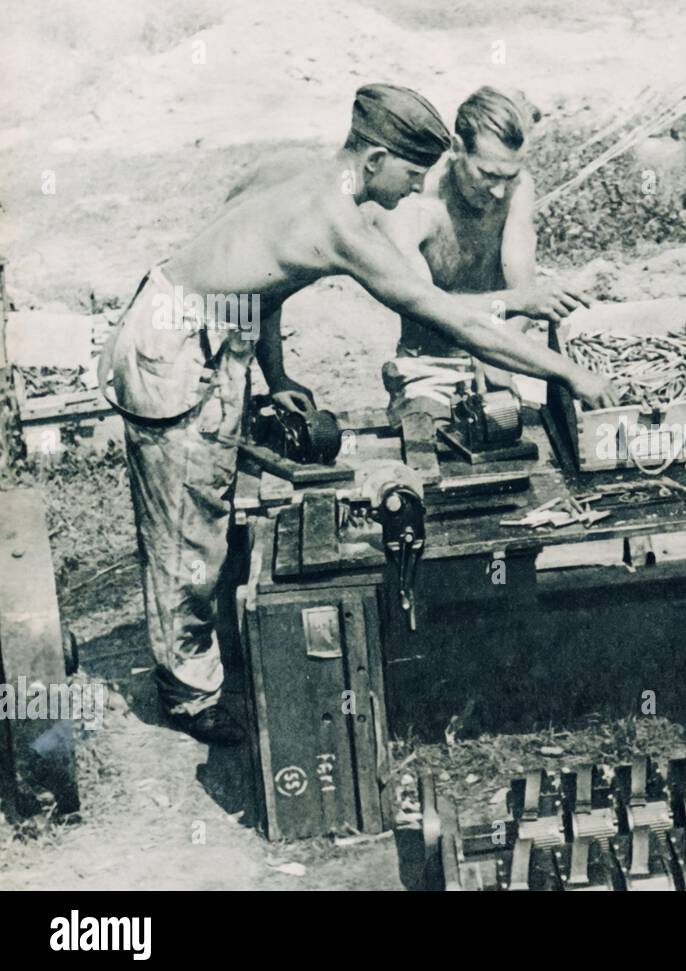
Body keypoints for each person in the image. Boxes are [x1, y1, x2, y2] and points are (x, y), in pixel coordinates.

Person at [100, 84, 615, 745]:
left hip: (202, 325)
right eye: (408, 176)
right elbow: (452, 319)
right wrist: (569, 372)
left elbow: (258, 273)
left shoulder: (292, 169)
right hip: (173, 345)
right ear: (374, 160)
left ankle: (219, 652)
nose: (410, 193)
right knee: (187, 523)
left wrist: (275, 372)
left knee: (210, 509)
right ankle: (191, 700)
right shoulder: (340, 227)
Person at [369, 86, 583, 420]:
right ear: (457, 149)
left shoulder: (517, 187)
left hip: (502, 350)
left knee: (548, 440)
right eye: (488, 175)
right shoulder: (413, 204)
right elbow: (423, 309)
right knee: (430, 441)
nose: (499, 190)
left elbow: (524, 292)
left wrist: (497, 352)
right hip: (431, 365)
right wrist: (514, 309)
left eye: (508, 176)